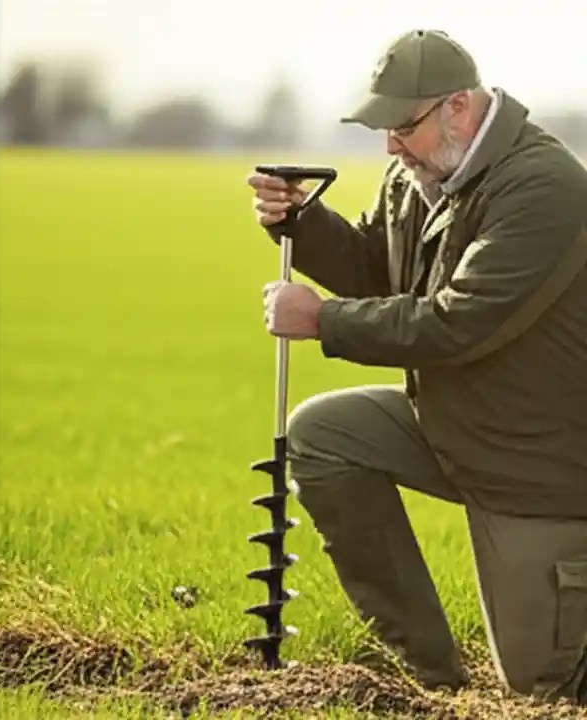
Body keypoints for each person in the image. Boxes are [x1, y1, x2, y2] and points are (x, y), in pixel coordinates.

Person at [246, 29, 587, 703]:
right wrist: (301, 225)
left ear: (458, 108)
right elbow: (380, 269)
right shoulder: (420, 172)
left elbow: (458, 321)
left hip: (540, 464)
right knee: (326, 435)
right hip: (454, 425)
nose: (390, 146)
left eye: (402, 127)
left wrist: (322, 320)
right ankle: (428, 679)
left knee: (543, 683)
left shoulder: (546, 187)